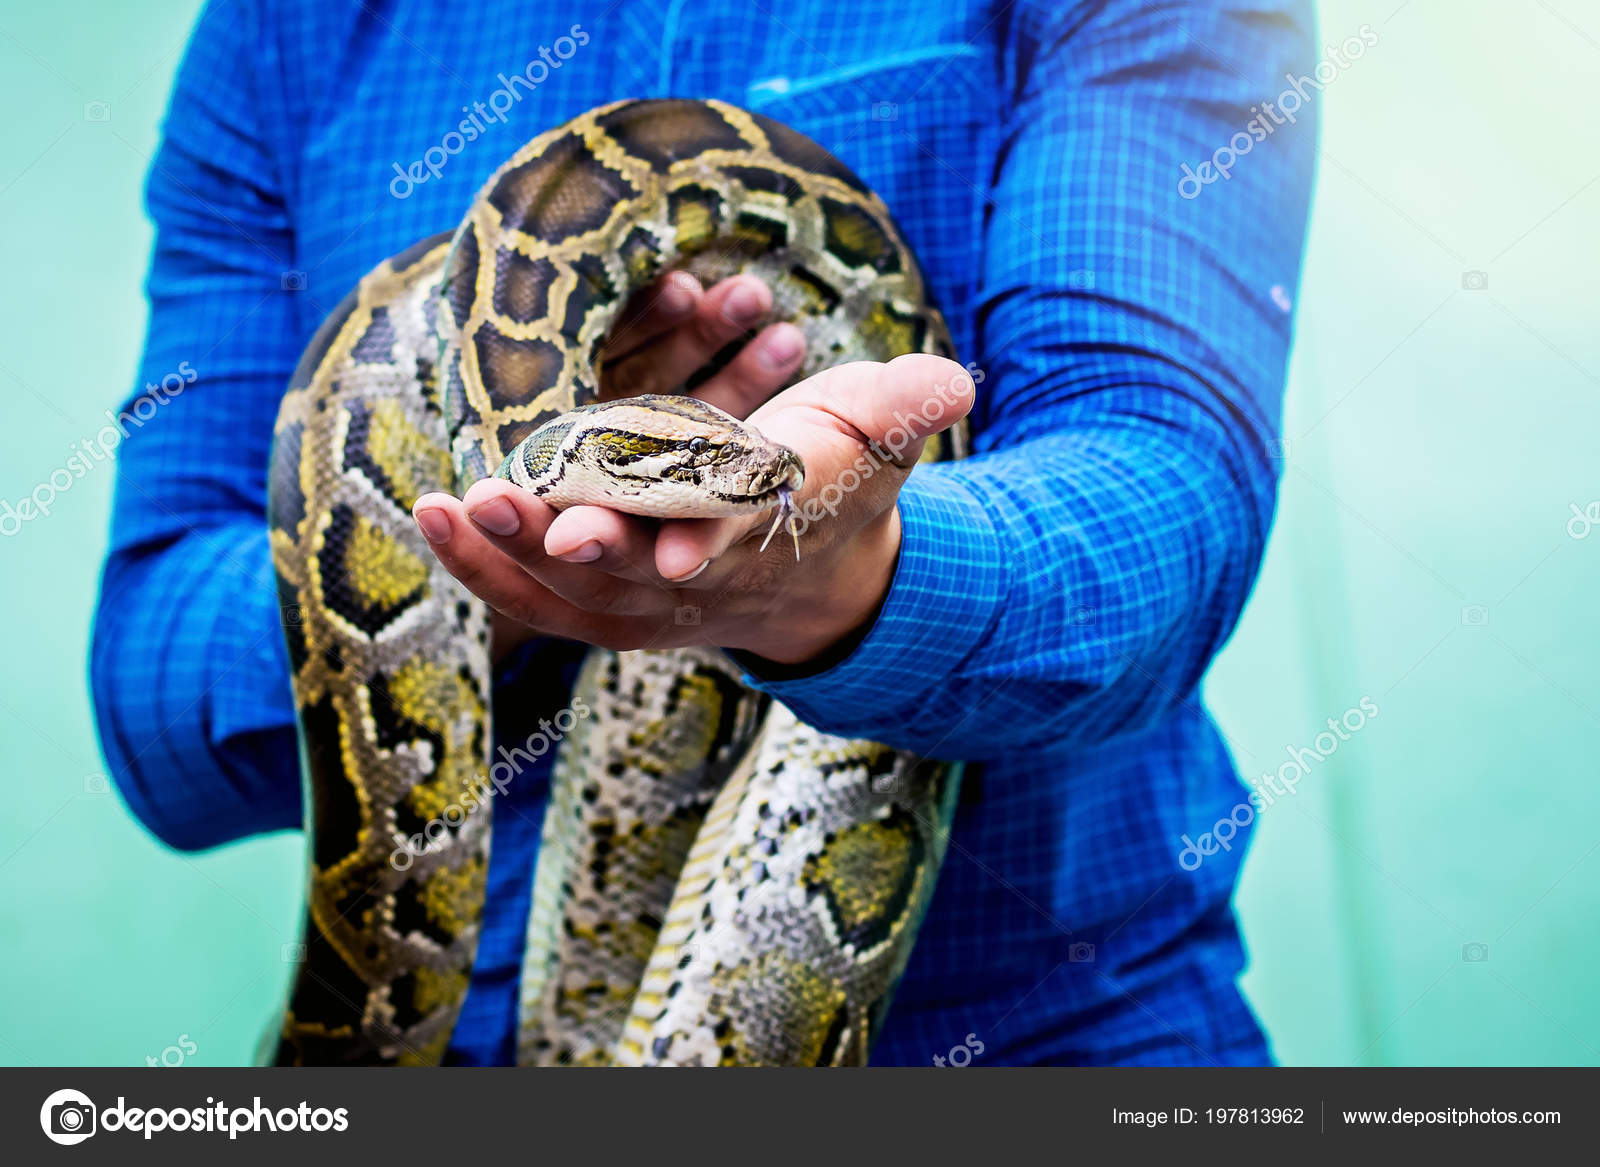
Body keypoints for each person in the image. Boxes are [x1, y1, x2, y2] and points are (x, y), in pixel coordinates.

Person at [91, 0, 1317, 1065]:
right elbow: (159, 717)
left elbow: (1166, 501)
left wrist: (854, 585)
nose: (723, 475)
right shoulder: (281, 28)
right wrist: (483, 567)